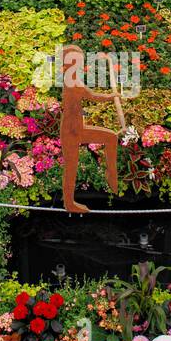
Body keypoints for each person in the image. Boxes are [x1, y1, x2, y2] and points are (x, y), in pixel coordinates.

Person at [58, 45, 119, 214]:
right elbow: (93, 96)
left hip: (78, 128)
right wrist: (112, 96)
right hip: (71, 132)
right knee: (71, 168)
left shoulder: (73, 79)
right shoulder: (72, 83)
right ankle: (69, 203)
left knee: (111, 137)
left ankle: (111, 177)